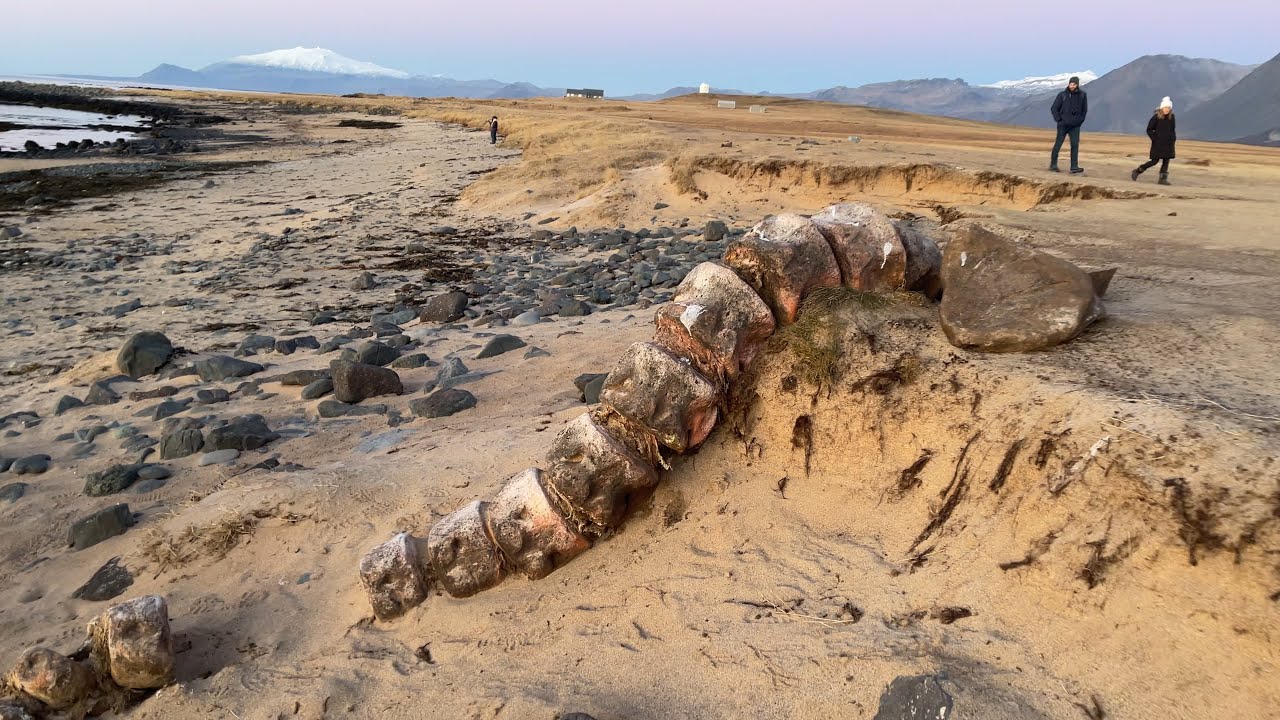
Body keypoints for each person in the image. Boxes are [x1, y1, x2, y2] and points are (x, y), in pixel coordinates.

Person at [1132, 97, 1176, 185]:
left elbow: (1172, 129)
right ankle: (1138, 170)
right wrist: (1155, 139)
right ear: (1161, 108)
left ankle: (1162, 180)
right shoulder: (1156, 117)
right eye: (1165, 107)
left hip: (1168, 144)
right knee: (1154, 161)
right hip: (1158, 144)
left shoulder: (1172, 117)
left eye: (1168, 108)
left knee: (1166, 161)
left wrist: (1173, 138)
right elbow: (1149, 129)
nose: (1167, 109)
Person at [1049, 76, 1088, 174]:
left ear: (1077, 85)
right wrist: (1059, 120)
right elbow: (1054, 108)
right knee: (1058, 144)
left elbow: (1084, 110)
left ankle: (1074, 167)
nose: (1072, 86)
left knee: (1075, 145)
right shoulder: (1062, 95)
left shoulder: (1082, 95)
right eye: (1071, 84)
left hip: (1075, 126)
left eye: (1074, 84)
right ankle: (1053, 165)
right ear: (1068, 84)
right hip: (1063, 125)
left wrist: (1079, 121)